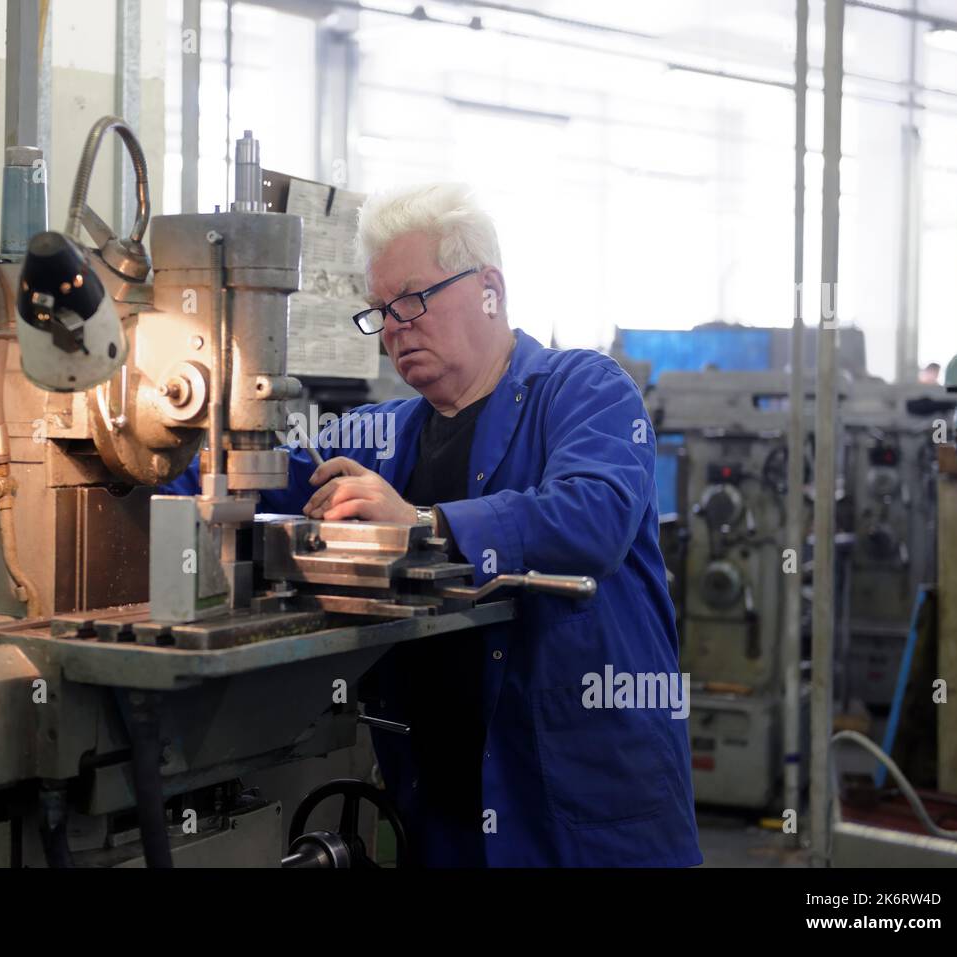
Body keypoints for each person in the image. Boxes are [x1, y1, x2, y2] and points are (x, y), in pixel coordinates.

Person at [165, 183, 701, 867]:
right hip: (446, 814)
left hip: (583, 808)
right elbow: (257, 474)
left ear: (489, 289)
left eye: (413, 299)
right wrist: (142, 442)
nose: (394, 327)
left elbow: (591, 517)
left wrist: (422, 521)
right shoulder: (383, 434)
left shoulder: (586, 391)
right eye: (380, 311)